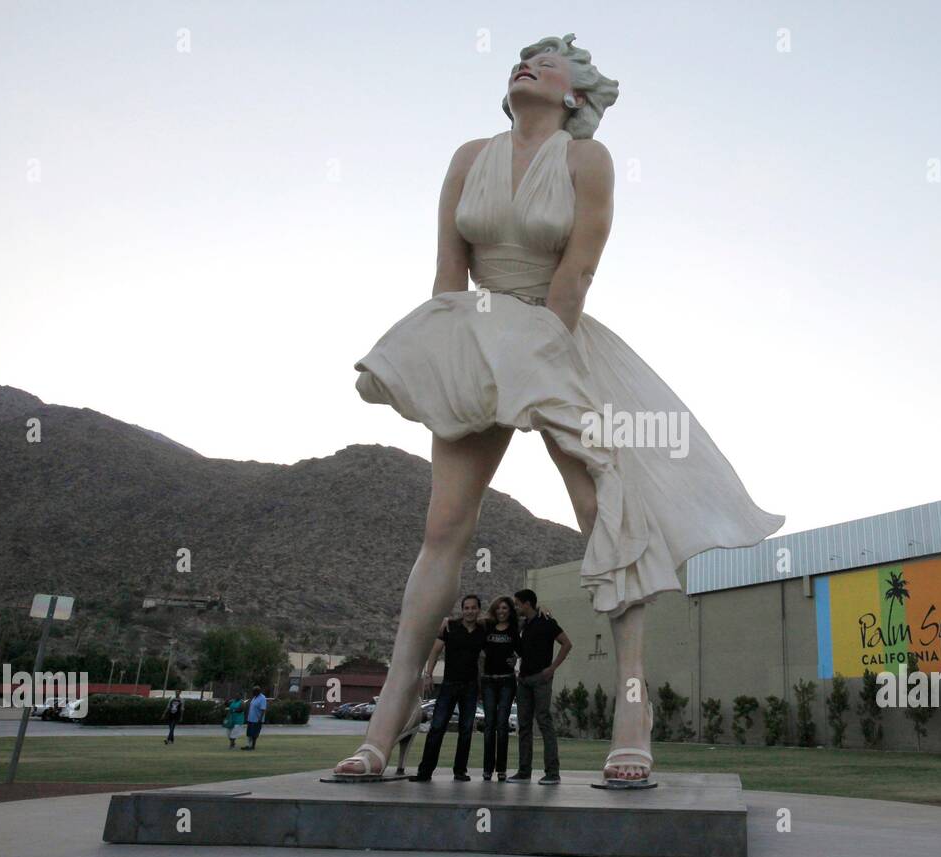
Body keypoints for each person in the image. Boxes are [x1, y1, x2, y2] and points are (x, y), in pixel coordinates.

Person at [333, 33, 782, 787]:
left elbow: (577, 273)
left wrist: (538, 363)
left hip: (559, 337)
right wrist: (451, 360)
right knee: (443, 527)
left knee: (604, 513)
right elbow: (449, 276)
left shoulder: (586, 161)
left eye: (547, 63)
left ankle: (631, 709)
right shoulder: (467, 156)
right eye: (520, 59)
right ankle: (394, 707)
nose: (525, 65)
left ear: (573, 94)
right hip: (477, 339)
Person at [412, 595, 487, 782]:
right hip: (449, 685)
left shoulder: (482, 631)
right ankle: (425, 772)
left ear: (478, 610)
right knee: (437, 727)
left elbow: (507, 620)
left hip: (470, 686)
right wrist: (428, 675)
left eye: (473, 608)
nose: (470, 611)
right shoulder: (450, 627)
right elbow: (435, 650)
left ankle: (460, 771)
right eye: (466, 608)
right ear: (462, 610)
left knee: (466, 729)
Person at [507, 589, 571, 785]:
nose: (516, 607)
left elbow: (567, 644)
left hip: (541, 678)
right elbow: (525, 650)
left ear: (527, 603)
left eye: (518, 604)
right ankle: (524, 771)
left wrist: (552, 668)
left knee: (544, 722)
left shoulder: (547, 622)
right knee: (524, 725)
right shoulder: (523, 625)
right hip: (524, 679)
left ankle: (552, 772)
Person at [481, 595, 521, 781]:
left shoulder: (514, 630)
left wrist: (516, 660)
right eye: (498, 608)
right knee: (489, 725)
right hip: (488, 680)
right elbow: (468, 622)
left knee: (502, 725)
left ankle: (502, 769)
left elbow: (523, 651)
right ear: (494, 610)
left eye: (505, 608)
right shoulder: (486, 627)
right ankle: (487, 768)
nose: (501, 611)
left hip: (506, 681)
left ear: (510, 611)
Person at [241, 685, 267, 750]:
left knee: (254, 734)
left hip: (257, 720)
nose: (252, 693)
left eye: (253, 691)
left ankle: (252, 746)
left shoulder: (262, 698)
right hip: (251, 719)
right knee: (249, 733)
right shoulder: (254, 697)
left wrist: (260, 719)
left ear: (257, 692)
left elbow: (263, 709)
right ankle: (248, 745)